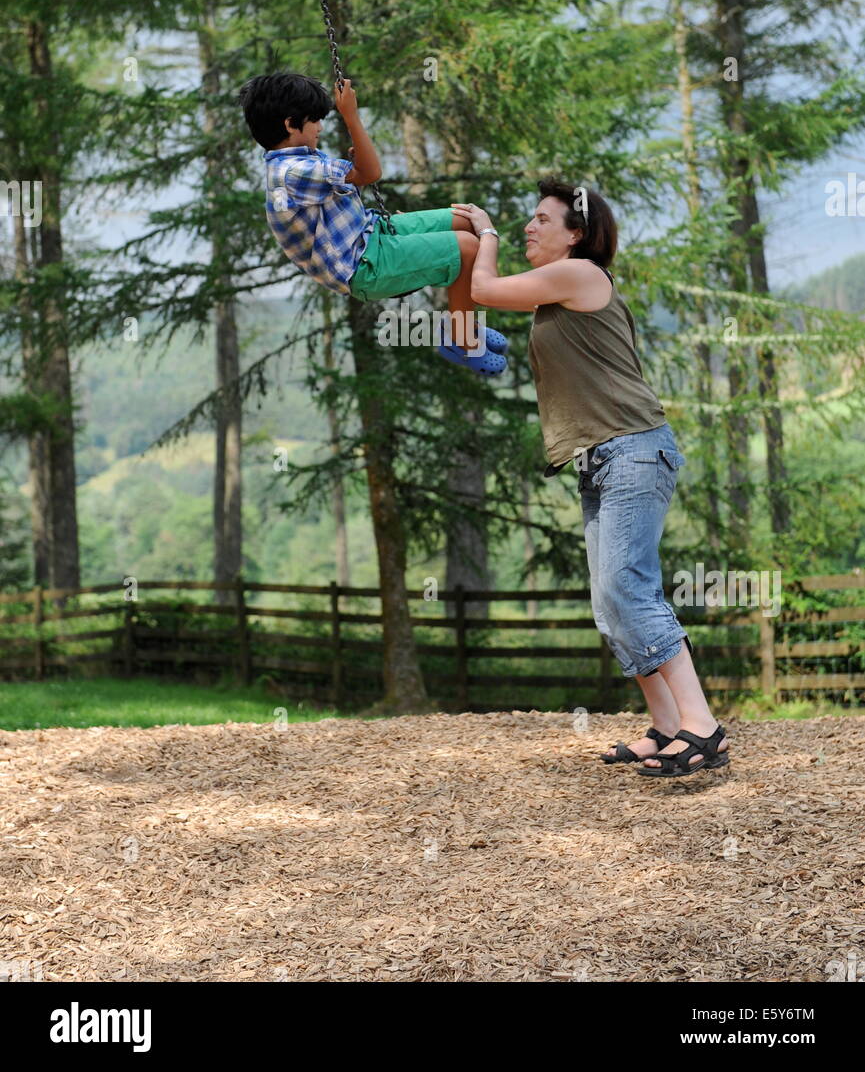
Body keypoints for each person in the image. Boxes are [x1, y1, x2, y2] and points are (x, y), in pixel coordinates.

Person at [451, 179, 730, 777]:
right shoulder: (556, 296)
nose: (530, 227)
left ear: (576, 235)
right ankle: (665, 723)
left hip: (631, 451)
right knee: (610, 602)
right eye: (527, 220)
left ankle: (703, 727)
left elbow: (485, 288)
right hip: (600, 459)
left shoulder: (581, 273)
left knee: (631, 590)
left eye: (540, 220)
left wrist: (485, 232)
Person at [238, 70, 508, 375]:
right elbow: (370, 173)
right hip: (363, 265)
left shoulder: (299, 159)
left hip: (371, 233)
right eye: (315, 120)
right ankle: (461, 339)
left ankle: (463, 319)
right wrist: (351, 117)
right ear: (291, 124)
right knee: (467, 248)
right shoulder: (292, 171)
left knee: (464, 222)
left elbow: (350, 182)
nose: (321, 127)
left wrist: (358, 166)